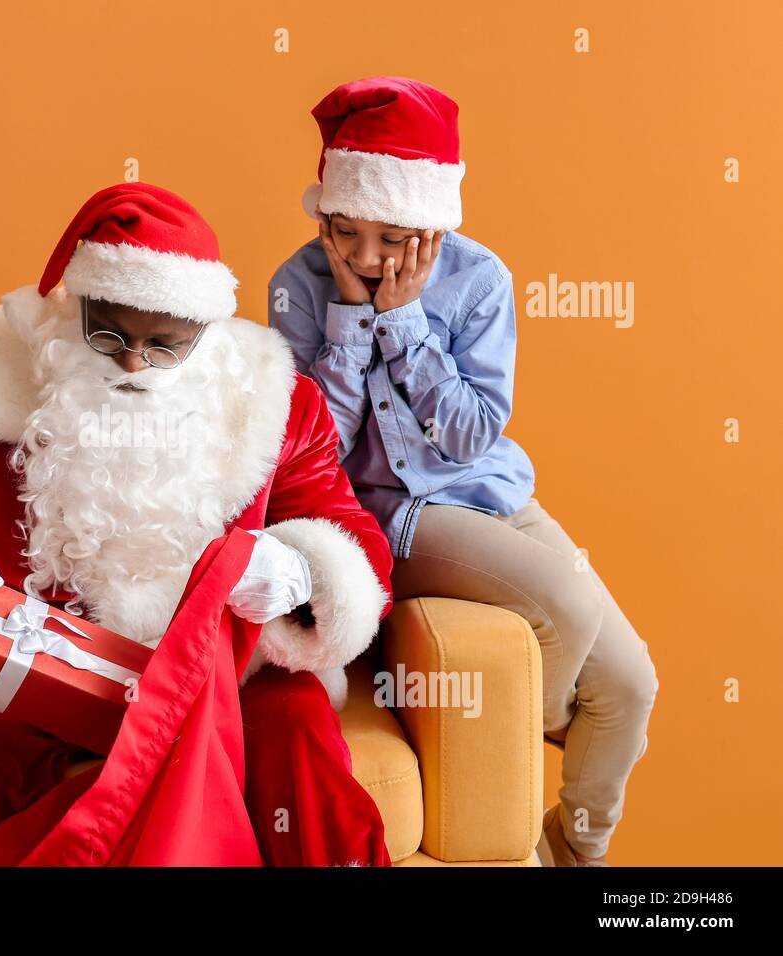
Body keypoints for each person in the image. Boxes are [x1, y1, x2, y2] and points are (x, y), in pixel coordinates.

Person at [0, 182, 396, 866]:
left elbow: (348, 530)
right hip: (27, 680)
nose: (135, 363)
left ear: (205, 331)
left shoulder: (275, 399)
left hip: (217, 687)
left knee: (298, 731)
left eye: (165, 345)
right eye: (109, 335)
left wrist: (302, 572)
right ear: (76, 305)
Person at [268, 76, 658, 866]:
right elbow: (318, 450)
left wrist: (405, 324)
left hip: (492, 493)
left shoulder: (481, 279)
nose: (367, 259)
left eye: (391, 239)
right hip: (396, 512)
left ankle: (574, 854)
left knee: (630, 684)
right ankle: (510, 743)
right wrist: (351, 321)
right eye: (346, 232)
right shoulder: (298, 285)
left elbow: (472, 435)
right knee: (568, 608)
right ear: (326, 214)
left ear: (430, 226)